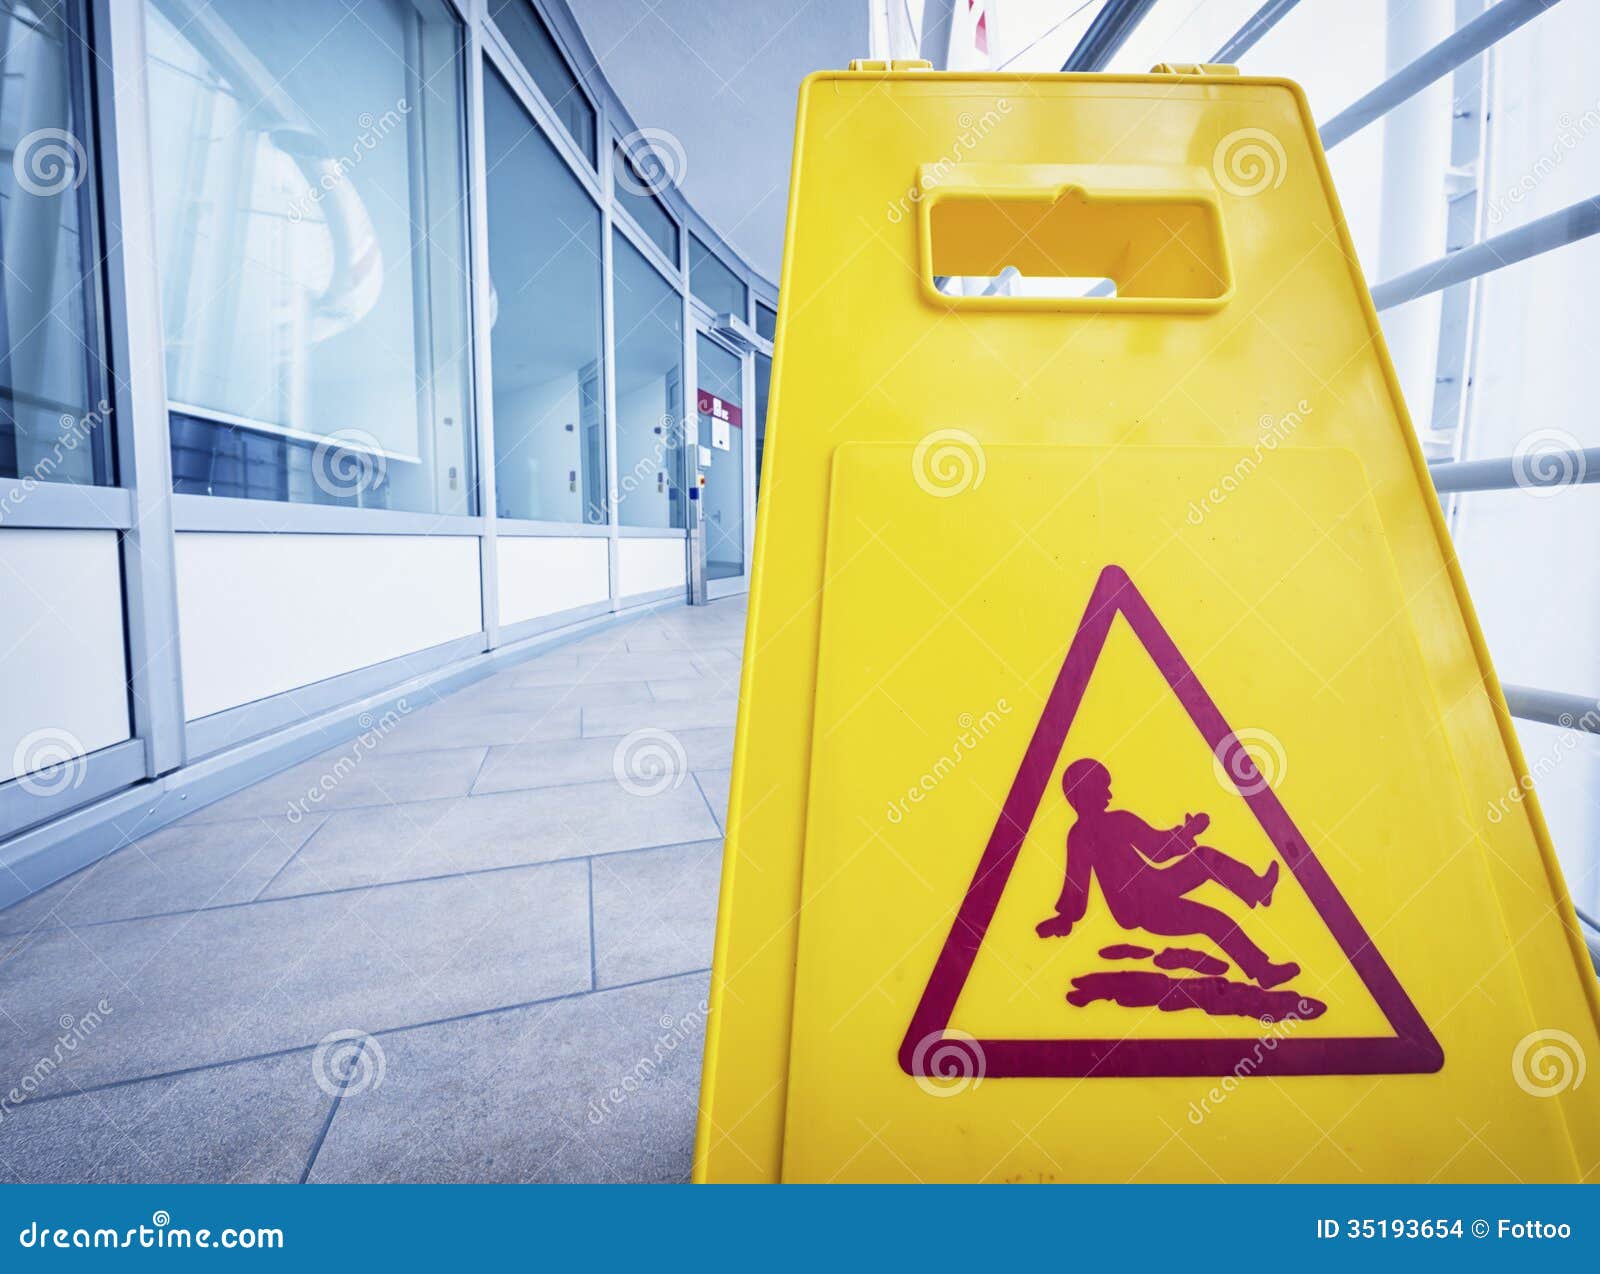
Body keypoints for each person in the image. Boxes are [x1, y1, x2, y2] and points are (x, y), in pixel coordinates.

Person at [1036, 757, 1299, 989]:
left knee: (1205, 857)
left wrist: (1188, 832)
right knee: (1215, 920)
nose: (1109, 794)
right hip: (1142, 908)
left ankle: (1256, 889)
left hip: (1156, 885)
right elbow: (1077, 884)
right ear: (1085, 792)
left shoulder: (1119, 819)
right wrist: (1065, 918)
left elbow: (1156, 848)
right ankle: (1264, 972)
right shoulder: (1079, 836)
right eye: (1102, 787)